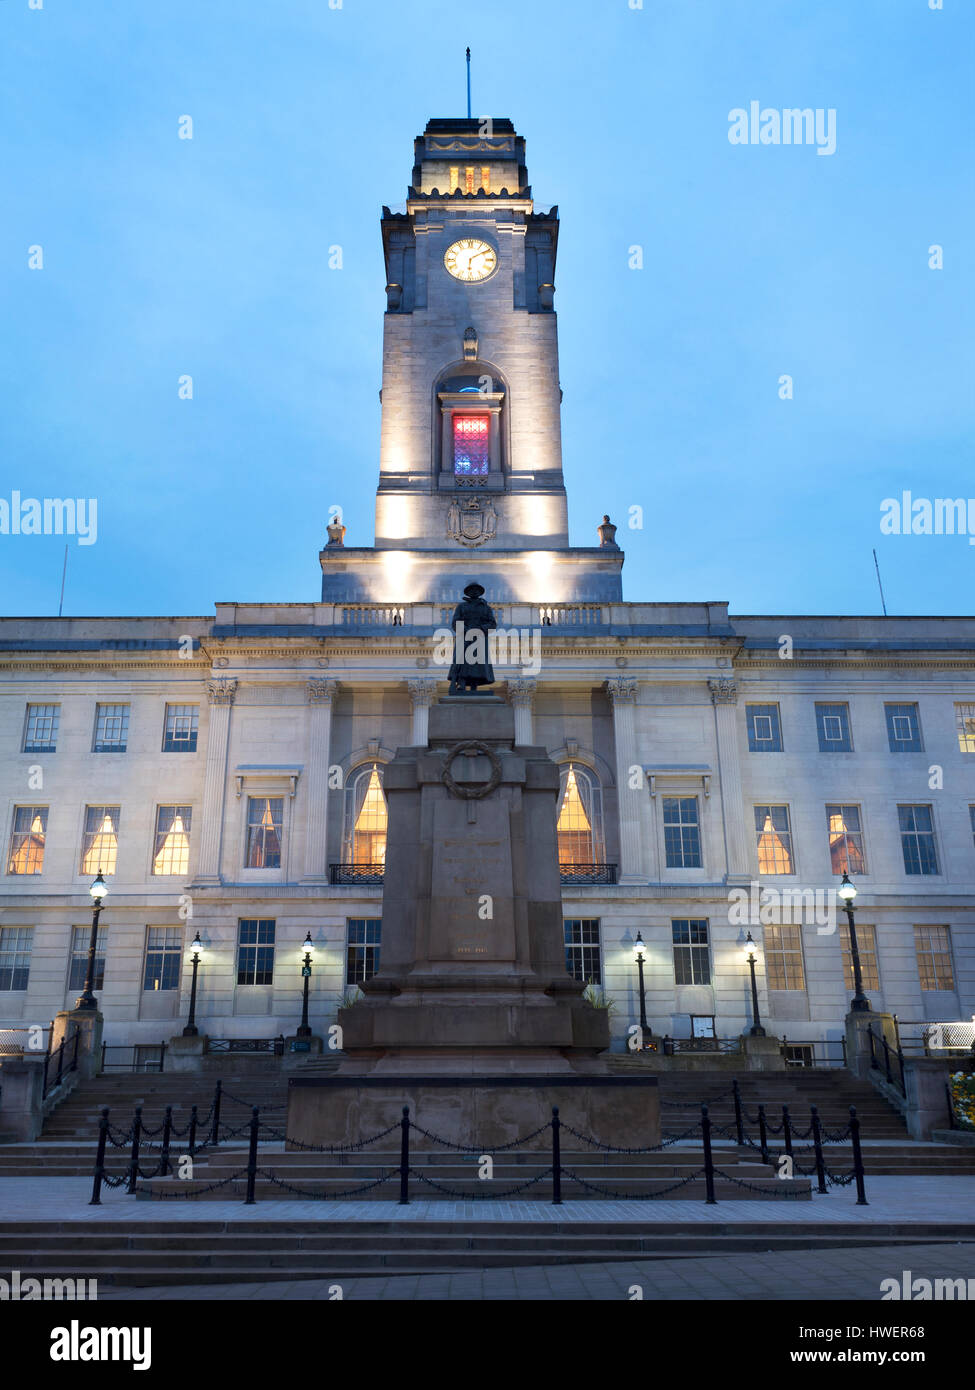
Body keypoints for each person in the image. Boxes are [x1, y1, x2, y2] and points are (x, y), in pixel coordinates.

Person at [447, 582, 497, 693]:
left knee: (477, 665)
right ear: (468, 592)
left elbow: (492, 624)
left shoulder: (486, 608)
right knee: (462, 662)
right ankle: (461, 684)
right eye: (472, 589)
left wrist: (480, 629)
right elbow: (455, 622)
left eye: (476, 589)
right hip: (464, 637)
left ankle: (474, 687)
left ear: (480, 593)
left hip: (479, 638)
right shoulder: (461, 607)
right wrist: (466, 630)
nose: (474, 591)